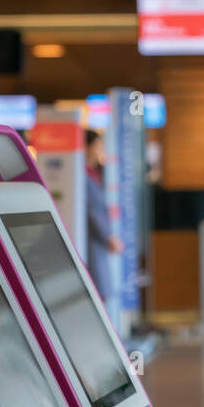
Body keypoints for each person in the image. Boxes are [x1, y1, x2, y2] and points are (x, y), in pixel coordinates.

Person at [83, 128, 123, 299]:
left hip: (97, 243)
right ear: (86, 147)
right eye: (97, 146)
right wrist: (108, 237)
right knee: (96, 289)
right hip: (91, 241)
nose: (100, 151)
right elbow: (92, 211)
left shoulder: (94, 173)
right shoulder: (82, 175)